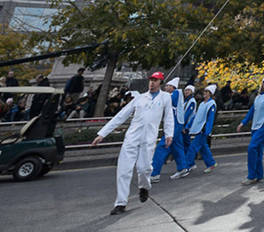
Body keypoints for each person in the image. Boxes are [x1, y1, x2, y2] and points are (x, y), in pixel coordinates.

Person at [90, 71, 174, 215]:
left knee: (144, 168)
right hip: (132, 138)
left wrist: (169, 134)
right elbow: (121, 116)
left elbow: (169, 117)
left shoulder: (165, 97)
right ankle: (120, 203)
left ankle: (144, 187)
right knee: (124, 170)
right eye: (151, 80)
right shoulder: (140, 98)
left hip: (148, 139)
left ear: (160, 82)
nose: (152, 83)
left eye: (155, 80)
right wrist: (102, 134)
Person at [238, 74, 264, 184]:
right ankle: (259, 175)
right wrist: (243, 123)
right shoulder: (259, 96)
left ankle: (251, 176)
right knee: (258, 150)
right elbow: (252, 110)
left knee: (252, 148)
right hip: (255, 125)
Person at [151, 77, 189, 181]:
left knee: (163, 146)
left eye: (168, 86)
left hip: (174, 124)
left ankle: (154, 174)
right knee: (177, 147)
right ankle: (182, 168)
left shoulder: (175, 93)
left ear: (173, 87)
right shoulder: (173, 94)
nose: (166, 87)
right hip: (176, 124)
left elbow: (164, 101)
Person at [182, 84, 219, 174]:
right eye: (204, 91)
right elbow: (196, 116)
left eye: (206, 92)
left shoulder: (211, 104)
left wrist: (207, 130)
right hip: (199, 128)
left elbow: (210, 118)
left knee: (193, 147)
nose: (204, 93)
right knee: (203, 148)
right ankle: (211, 163)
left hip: (203, 129)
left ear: (210, 94)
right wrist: (188, 126)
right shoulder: (202, 103)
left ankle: (187, 166)